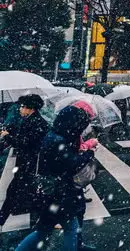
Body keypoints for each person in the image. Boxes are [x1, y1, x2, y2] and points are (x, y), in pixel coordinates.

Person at [15, 105, 97, 251]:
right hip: (59, 193)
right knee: (71, 228)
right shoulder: (59, 140)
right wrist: (89, 153)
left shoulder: (54, 135)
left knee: (43, 230)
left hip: (49, 192)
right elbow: (73, 164)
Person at [0, 95, 49, 228]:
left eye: (22, 107)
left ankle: (2, 218)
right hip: (28, 163)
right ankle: (48, 220)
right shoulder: (32, 121)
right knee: (34, 194)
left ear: (30, 108)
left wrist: (7, 137)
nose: (20, 109)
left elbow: (24, 143)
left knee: (15, 191)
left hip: (30, 164)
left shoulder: (36, 123)